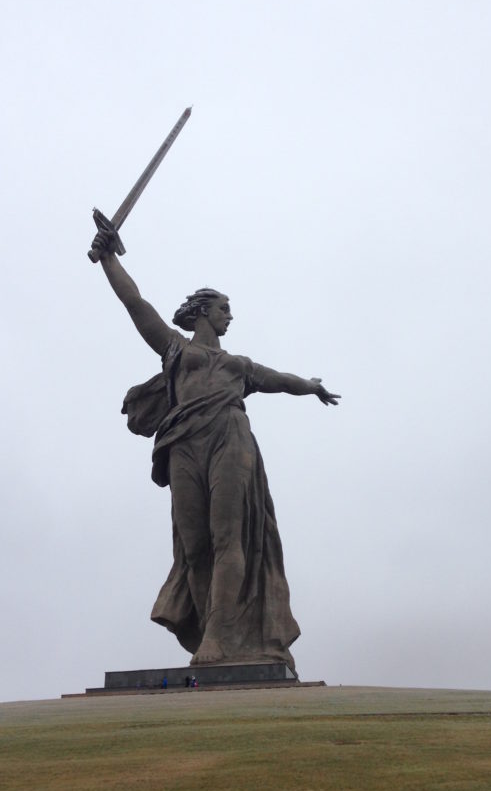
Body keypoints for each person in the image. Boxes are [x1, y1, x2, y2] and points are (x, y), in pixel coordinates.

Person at [91, 220, 340, 670]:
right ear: (204, 312)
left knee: (229, 537)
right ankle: (211, 624)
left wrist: (310, 385)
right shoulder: (176, 351)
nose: (231, 315)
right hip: (183, 442)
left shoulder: (238, 366)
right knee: (195, 546)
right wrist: (109, 259)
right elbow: (135, 303)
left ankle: (220, 635)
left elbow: (281, 381)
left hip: (230, 437)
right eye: (225, 308)